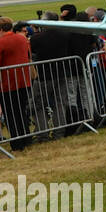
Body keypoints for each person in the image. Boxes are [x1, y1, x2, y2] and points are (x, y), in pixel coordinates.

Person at [29, 12, 71, 140]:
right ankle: (59, 133)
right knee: (59, 103)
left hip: (44, 76)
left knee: (37, 104)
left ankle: (43, 133)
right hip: (61, 73)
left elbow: (33, 52)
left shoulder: (37, 38)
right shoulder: (65, 34)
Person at [0, 16, 35, 151]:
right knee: (21, 111)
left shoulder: (2, 41)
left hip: (8, 83)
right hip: (24, 80)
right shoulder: (22, 38)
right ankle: (26, 138)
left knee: (11, 114)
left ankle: (17, 143)